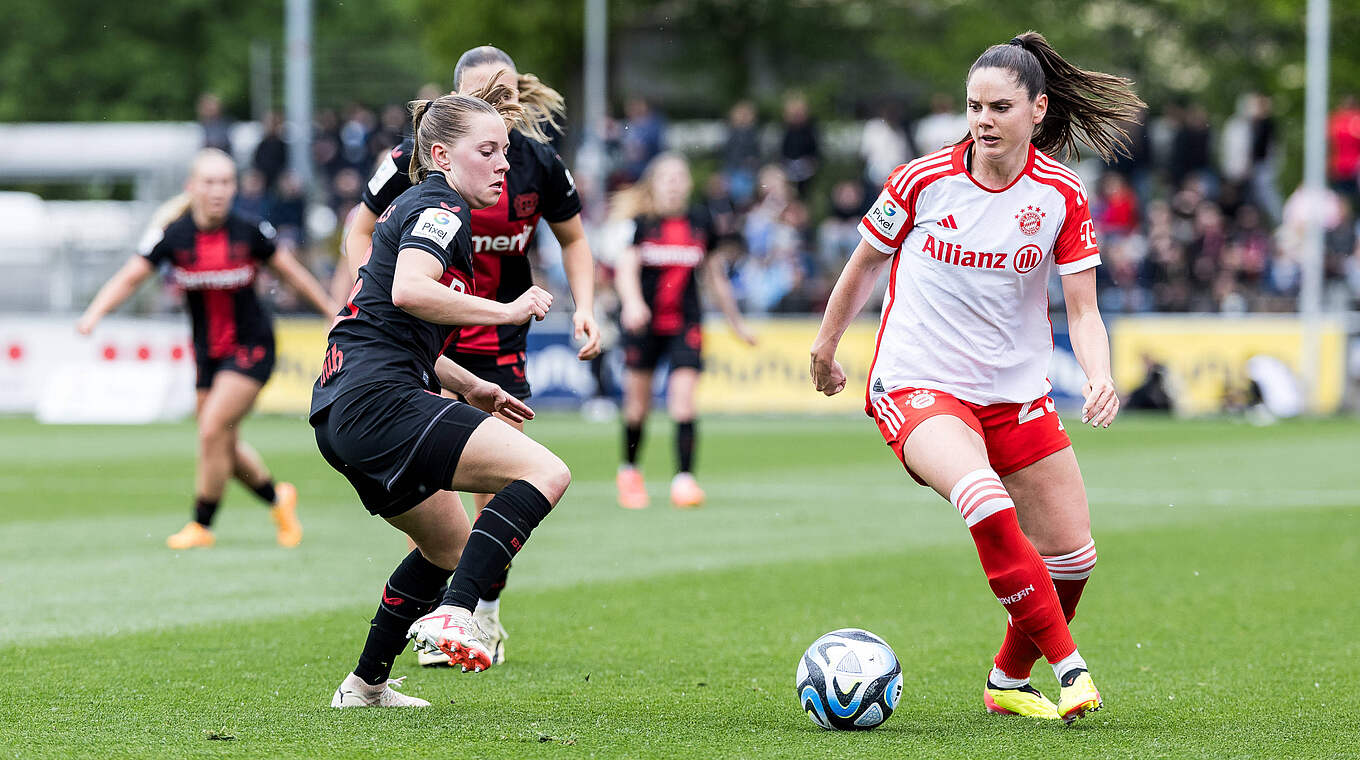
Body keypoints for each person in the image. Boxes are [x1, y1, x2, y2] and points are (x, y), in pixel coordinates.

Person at [810, 31, 1141, 723]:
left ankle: (1007, 681)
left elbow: (1083, 309)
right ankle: (1071, 668)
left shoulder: (1060, 195)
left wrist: (1099, 375)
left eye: (999, 106)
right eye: (973, 106)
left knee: (1074, 559)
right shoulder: (922, 179)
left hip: (1014, 395)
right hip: (915, 383)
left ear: (1038, 110)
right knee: (983, 499)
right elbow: (865, 263)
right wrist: (826, 345)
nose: (983, 119)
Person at [344, 45, 600, 667]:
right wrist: (369, 296)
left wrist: (586, 306)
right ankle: (459, 613)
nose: (502, 108)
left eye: (508, 95)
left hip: (476, 354)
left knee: (475, 514)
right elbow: (382, 257)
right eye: (486, 98)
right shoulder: (424, 179)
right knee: (524, 476)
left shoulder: (534, 164)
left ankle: (458, 624)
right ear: (454, 113)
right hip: (414, 354)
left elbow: (574, 239)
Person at [77, 149, 337, 549]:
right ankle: (276, 497)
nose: (218, 191)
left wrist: (330, 313)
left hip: (252, 347)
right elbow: (131, 279)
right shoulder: (175, 235)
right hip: (206, 353)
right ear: (192, 187)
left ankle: (202, 524)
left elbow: (293, 275)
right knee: (220, 441)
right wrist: (94, 314)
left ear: (234, 187)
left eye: (225, 182)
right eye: (210, 182)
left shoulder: (249, 231)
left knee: (213, 429)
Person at [612, 152, 755, 510]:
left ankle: (684, 480)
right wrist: (631, 303)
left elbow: (714, 277)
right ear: (655, 184)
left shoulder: (700, 221)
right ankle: (630, 472)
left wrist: (737, 324)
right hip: (644, 325)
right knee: (637, 407)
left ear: (688, 184)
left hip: (685, 325)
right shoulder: (642, 223)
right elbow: (626, 268)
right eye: (667, 177)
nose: (675, 183)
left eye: (680, 176)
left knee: (684, 400)